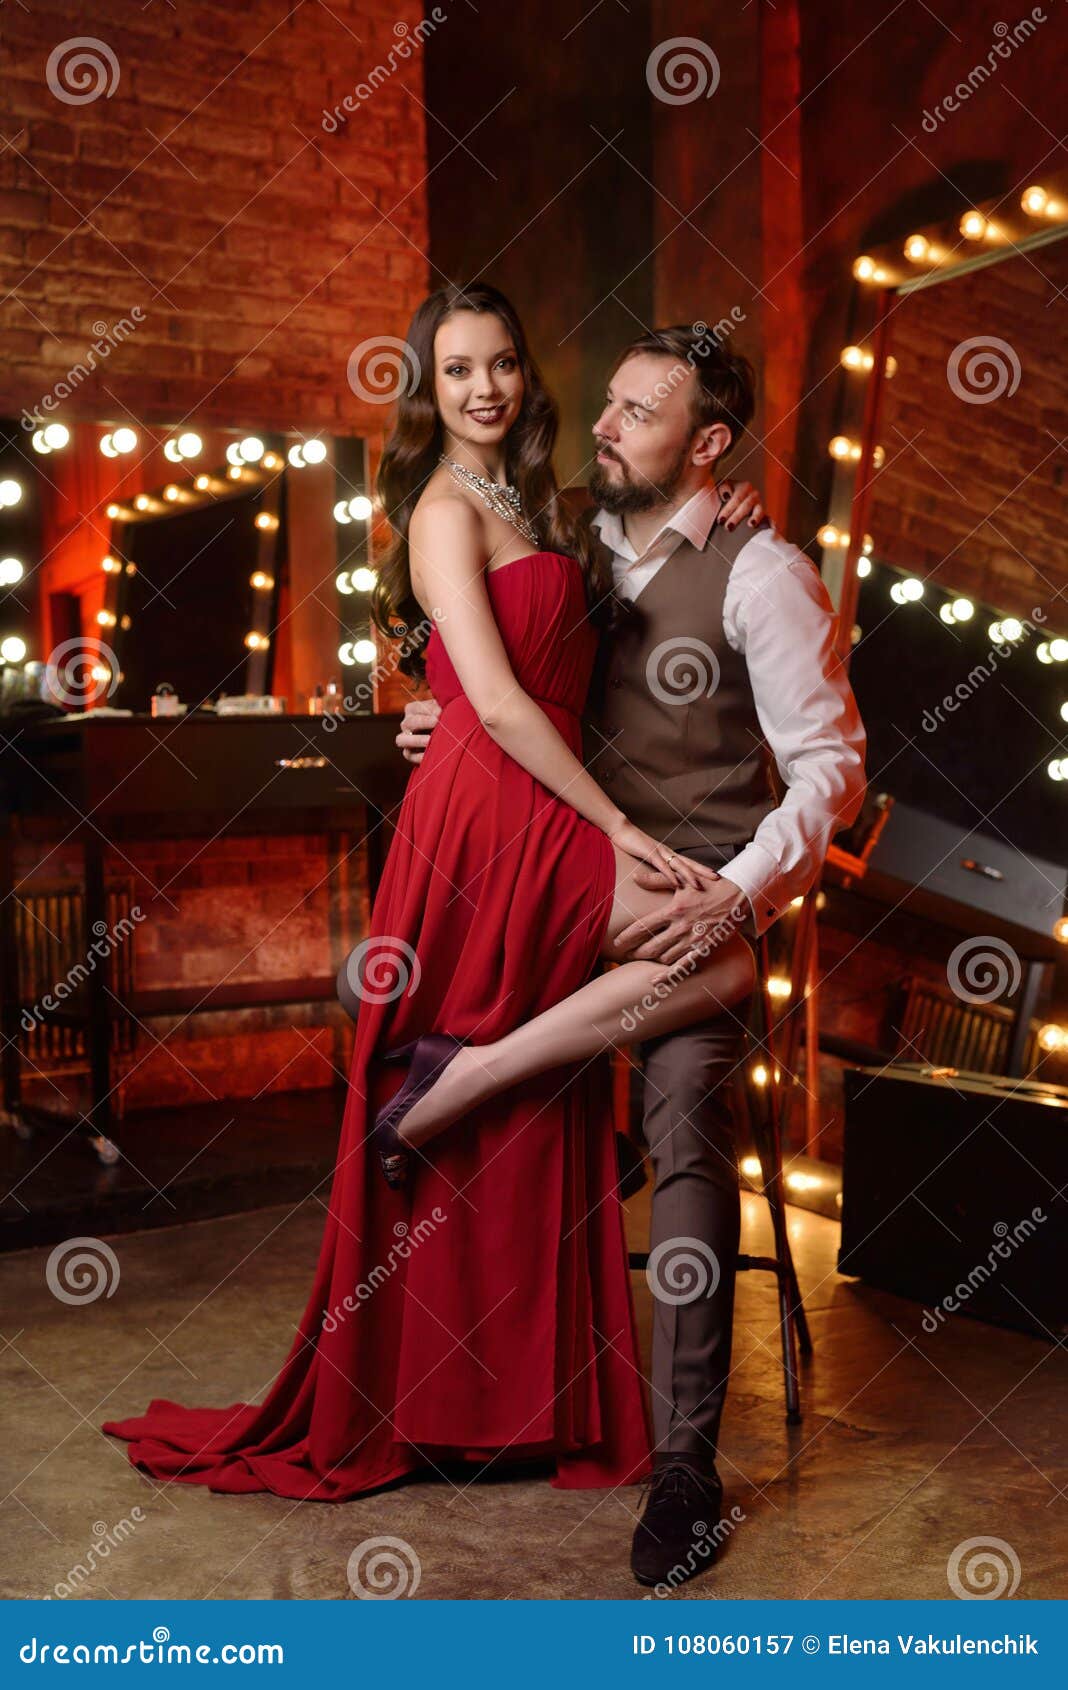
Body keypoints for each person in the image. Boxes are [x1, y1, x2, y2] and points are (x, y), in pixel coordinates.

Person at [100, 284, 761, 1553]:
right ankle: (455, 1092)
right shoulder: (440, 509)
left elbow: (570, 631)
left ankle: (465, 1119)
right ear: (427, 389)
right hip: (495, 813)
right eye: (457, 371)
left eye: (503, 363)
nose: (486, 390)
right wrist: (613, 827)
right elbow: (504, 706)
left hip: (528, 793)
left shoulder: (550, 503)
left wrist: (725, 512)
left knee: (698, 972)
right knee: (723, 951)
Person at [397, 318, 868, 1586]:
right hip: (549, 895)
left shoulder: (762, 574)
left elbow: (833, 768)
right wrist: (429, 705)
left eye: (636, 414)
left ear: (707, 444)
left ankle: (682, 1467)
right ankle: (480, 1399)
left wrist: (736, 892)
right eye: (603, 402)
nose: (599, 426)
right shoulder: (561, 529)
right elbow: (483, 651)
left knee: (688, 1111)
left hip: (690, 906)